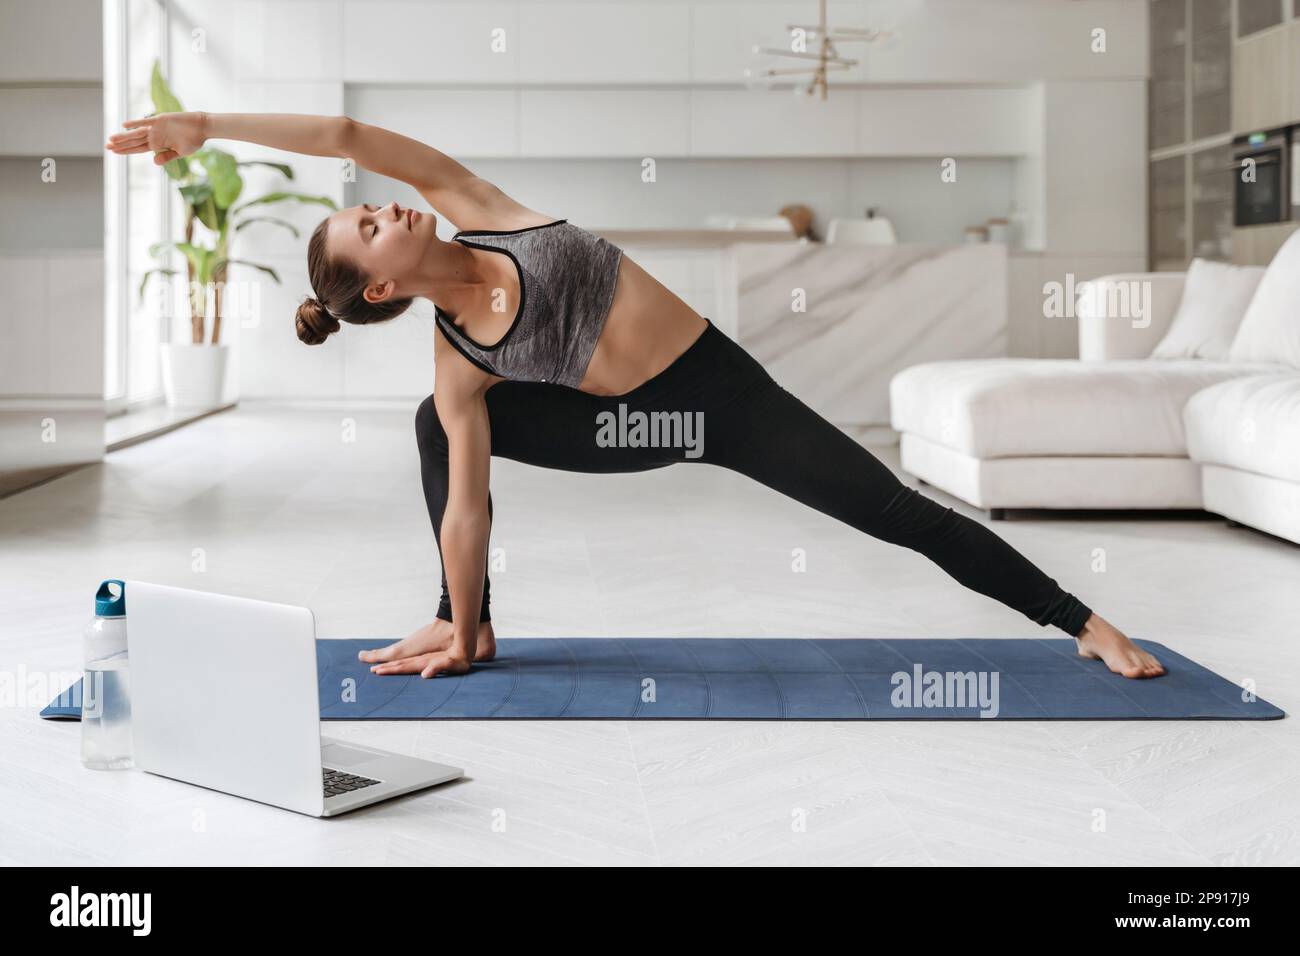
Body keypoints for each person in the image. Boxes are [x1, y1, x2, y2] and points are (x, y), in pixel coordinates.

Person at [106, 111, 1166, 681]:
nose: (384, 206)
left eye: (374, 209)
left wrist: (204, 125)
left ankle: (1081, 621)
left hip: (718, 395)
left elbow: (347, 138)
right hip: (615, 426)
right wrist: (459, 608)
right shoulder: (456, 354)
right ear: (378, 285)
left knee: (891, 510)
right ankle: (461, 632)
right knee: (439, 422)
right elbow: (466, 504)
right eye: (371, 227)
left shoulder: (480, 207)